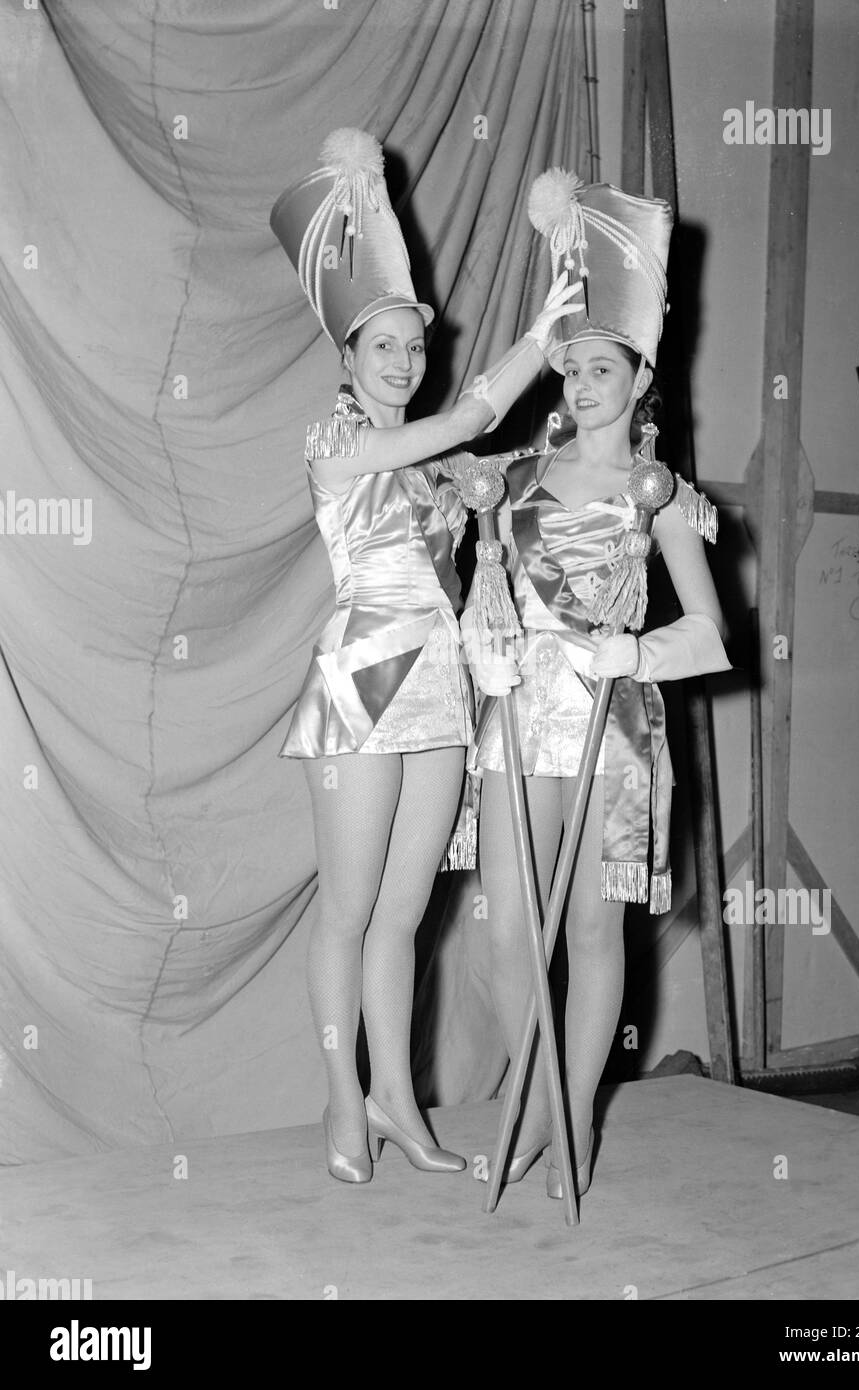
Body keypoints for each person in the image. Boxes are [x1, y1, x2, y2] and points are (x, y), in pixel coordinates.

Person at [270, 130, 582, 1184]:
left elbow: (486, 442)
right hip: (363, 685)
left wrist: (556, 322)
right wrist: (544, 323)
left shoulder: (429, 461)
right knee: (348, 911)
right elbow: (479, 410)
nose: (403, 361)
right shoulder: (336, 443)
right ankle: (337, 1104)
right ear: (347, 359)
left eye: (412, 344)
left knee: (406, 913)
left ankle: (397, 1101)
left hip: (439, 690)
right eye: (382, 347)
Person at [464, 170, 731, 1200]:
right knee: (505, 931)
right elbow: (473, 558)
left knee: (589, 929)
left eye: (599, 367)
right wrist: (487, 644)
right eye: (569, 367)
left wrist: (636, 654)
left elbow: (710, 634)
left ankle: (569, 1119)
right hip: (519, 709)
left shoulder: (660, 494)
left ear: (637, 375)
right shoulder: (518, 477)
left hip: (613, 722)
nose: (579, 384)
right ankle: (529, 1100)